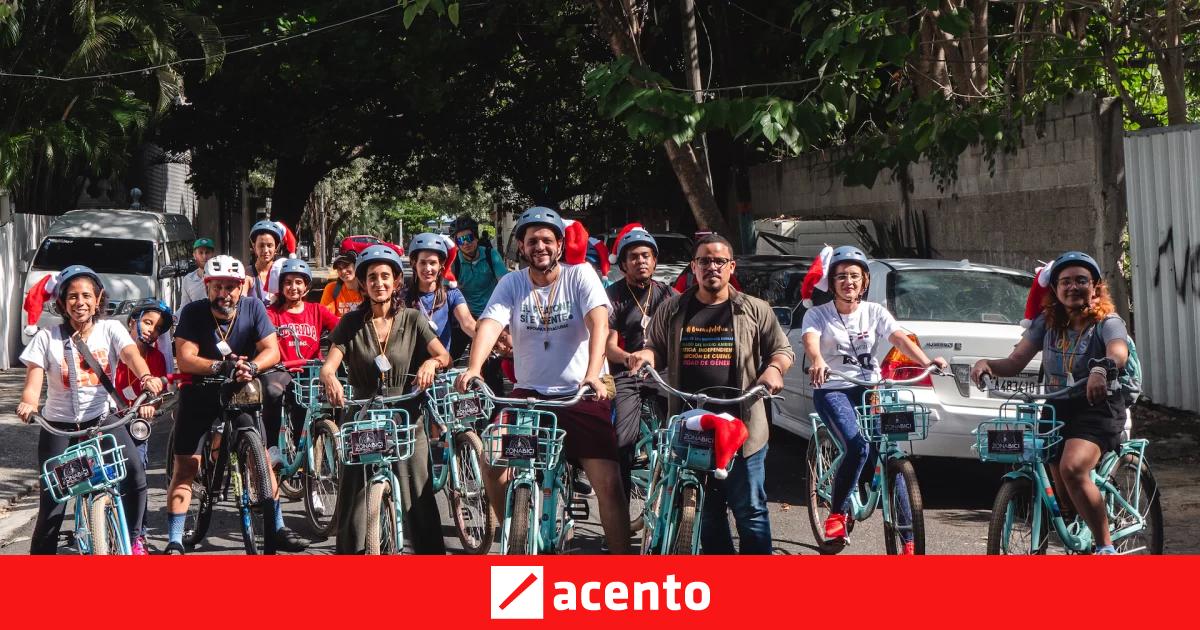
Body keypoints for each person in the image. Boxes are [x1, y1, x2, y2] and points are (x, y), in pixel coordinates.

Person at [455, 206, 631, 553]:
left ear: (560, 246)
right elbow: (490, 323)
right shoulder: (511, 283)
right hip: (528, 397)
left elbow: (599, 324)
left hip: (579, 395)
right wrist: (474, 367)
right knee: (492, 462)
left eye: (547, 240)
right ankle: (516, 530)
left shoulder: (580, 275)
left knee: (609, 484)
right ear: (521, 246)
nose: (540, 246)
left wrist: (592, 376)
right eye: (532, 240)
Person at [632, 234, 794, 554]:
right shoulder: (674, 308)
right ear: (694, 267)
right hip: (691, 427)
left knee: (750, 511)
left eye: (719, 261)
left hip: (743, 428)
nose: (712, 267)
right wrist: (645, 358)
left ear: (731, 267)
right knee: (705, 510)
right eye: (704, 260)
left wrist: (774, 369)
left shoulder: (754, 309)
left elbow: (782, 350)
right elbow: (655, 350)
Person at [970, 251, 1129, 555]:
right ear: (1055, 289)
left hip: (1098, 407)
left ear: (1094, 287)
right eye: (1065, 282)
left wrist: (1101, 368)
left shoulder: (1108, 321)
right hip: (1056, 406)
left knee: (1071, 469)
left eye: (1081, 281)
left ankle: (1105, 547)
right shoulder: (1047, 321)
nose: (1073, 287)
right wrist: (987, 363)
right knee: (1060, 491)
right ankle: (1074, 528)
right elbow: (1016, 360)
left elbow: (1118, 350)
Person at [800, 245, 948, 554]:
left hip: (870, 390)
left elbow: (897, 338)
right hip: (833, 390)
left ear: (864, 281)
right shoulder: (817, 314)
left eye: (855, 276)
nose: (848, 282)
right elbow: (811, 342)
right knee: (857, 445)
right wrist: (817, 360)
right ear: (832, 282)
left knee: (888, 453)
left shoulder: (875, 311)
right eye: (841, 276)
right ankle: (838, 512)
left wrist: (925, 361)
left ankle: (909, 539)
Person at [16, 266, 164, 555]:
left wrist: (146, 377)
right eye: (72, 296)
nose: (79, 302)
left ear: (98, 300)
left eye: (86, 295)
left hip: (102, 421)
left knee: (134, 476)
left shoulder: (111, 329)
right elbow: (33, 383)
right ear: (61, 302)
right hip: (59, 427)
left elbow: (130, 355)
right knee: (53, 505)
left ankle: (134, 540)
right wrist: (29, 403)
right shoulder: (47, 338)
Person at [165, 254, 307, 555]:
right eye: (218, 287)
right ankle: (175, 539)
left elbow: (272, 350)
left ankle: (277, 526)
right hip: (200, 392)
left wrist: (252, 367)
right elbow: (186, 358)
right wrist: (219, 367)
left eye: (231, 287)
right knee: (187, 467)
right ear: (207, 287)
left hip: (239, 392)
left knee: (262, 460)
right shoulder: (193, 312)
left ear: (241, 288)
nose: (224, 293)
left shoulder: (253, 307)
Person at [319, 245, 451, 554]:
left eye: (385, 277)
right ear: (362, 284)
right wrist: (329, 377)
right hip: (362, 413)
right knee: (353, 491)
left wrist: (430, 363)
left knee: (418, 489)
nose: (379, 283)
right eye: (372, 277)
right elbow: (330, 364)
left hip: (406, 414)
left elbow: (442, 355)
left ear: (396, 282)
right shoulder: (351, 323)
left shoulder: (413, 319)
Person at [604, 225, 676, 498]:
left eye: (646, 256)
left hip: (663, 373)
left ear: (655, 261)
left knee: (684, 432)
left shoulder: (668, 295)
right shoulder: (613, 296)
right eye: (633, 257)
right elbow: (608, 347)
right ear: (623, 264)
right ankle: (620, 512)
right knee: (622, 442)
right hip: (626, 375)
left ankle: (677, 500)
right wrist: (629, 358)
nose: (641, 261)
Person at [113, 299, 173, 553]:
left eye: (158, 328)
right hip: (108, 418)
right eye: (148, 322)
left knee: (136, 475)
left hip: (136, 421)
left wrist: (152, 405)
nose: (151, 330)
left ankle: (138, 535)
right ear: (132, 322)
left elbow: (159, 392)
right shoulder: (112, 349)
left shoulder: (156, 357)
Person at [266, 258, 339, 451]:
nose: (293, 287)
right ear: (281, 286)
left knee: (329, 403)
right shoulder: (272, 313)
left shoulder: (317, 310)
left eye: (298, 282)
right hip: (283, 369)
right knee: (273, 393)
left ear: (306, 286)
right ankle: (273, 447)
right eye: (288, 282)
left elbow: (342, 329)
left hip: (311, 370)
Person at [406, 233, 477, 354]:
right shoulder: (403, 295)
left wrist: (493, 341)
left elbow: (468, 323)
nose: (428, 269)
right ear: (414, 264)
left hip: (442, 365)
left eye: (432, 263)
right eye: (422, 263)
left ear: (441, 265)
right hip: (409, 369)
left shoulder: (451, 293)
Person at [246, 220, 284, 305]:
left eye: (270, 245)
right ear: (254, 246)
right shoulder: (248, 274)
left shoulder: (282, 272)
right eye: (261, 245)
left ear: (276, 247)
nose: (265, 250)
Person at [320, 250, 364, 316]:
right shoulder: (332, 288)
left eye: (346, 266)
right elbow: (326, 317)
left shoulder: (367, 288)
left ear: (356, 266)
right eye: (339, 269)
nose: (343, 271)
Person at [179, 237, 215, 310]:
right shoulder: (188, 279)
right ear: (194, 255)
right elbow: (184, 307)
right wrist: (174, 318)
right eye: (200, 252)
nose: (204, 256)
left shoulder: (221, 276)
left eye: (207, 252)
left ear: (213, 254)